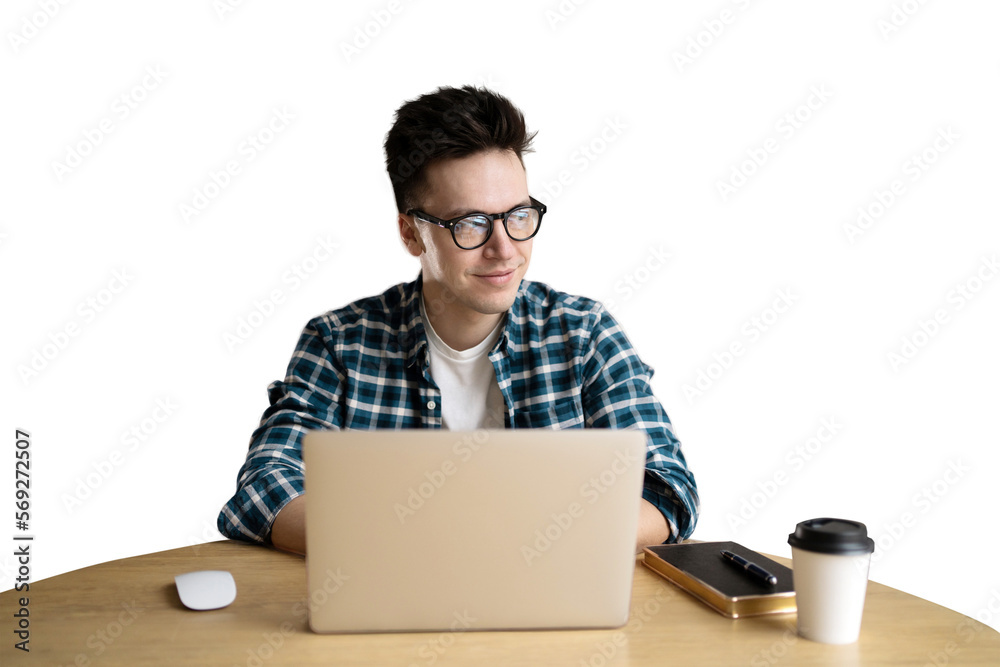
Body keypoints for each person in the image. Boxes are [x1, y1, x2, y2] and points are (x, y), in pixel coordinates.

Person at [217, 85, 699, 555]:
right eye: (470, 224)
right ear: (411, 233)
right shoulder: (339, 343)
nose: (504, 249)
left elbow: (666, 489)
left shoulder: (585, 333)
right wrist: (429, 548)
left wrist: (519, 547)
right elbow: (266, 487)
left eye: (518, 215)